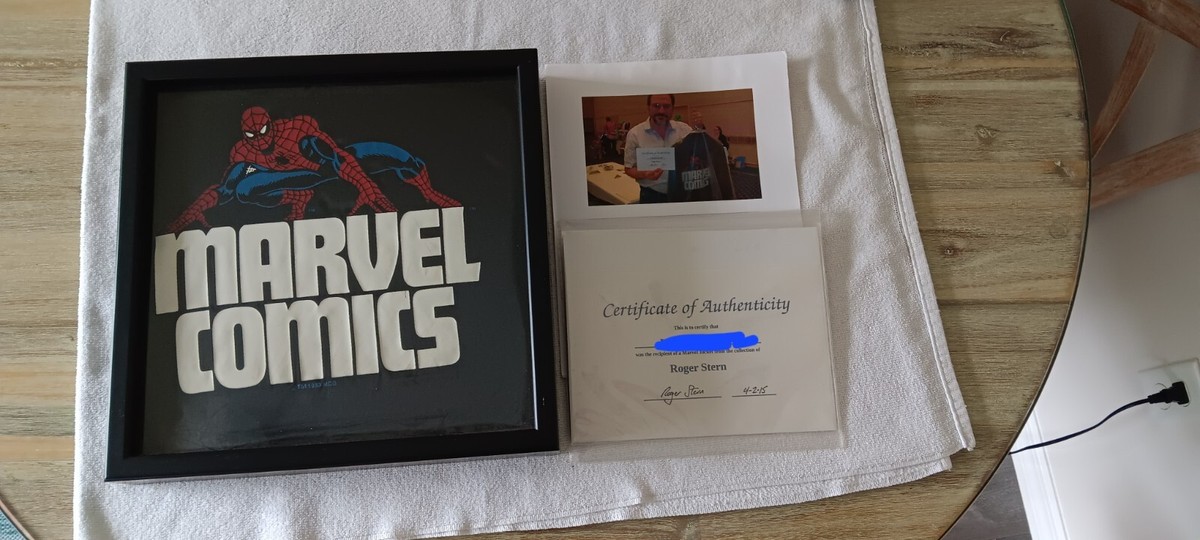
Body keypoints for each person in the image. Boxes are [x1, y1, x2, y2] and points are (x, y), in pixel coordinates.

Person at [168, 106, 459, 233]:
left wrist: (368, 188)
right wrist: (190, 213)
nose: (261, 139)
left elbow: (335, 153)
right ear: (245, 135)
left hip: (326, 167)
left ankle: (430, 193)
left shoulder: (296, 128)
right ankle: (298, 198)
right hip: (292, 180)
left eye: (264, 130)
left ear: (271, 123)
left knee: (395, 155)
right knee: (243, 184)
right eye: (252, 135)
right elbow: (226, 189)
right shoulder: (242, 153)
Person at [623, 94, 692, 203]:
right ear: (648, 107)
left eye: (666, 106)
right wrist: (645, 174)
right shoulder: (635, 134)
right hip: (652, 195)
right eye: (656, 106)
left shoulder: (685, 130)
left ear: (672, 108)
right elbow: (628, 168)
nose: (661, 111)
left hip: (683, 193)